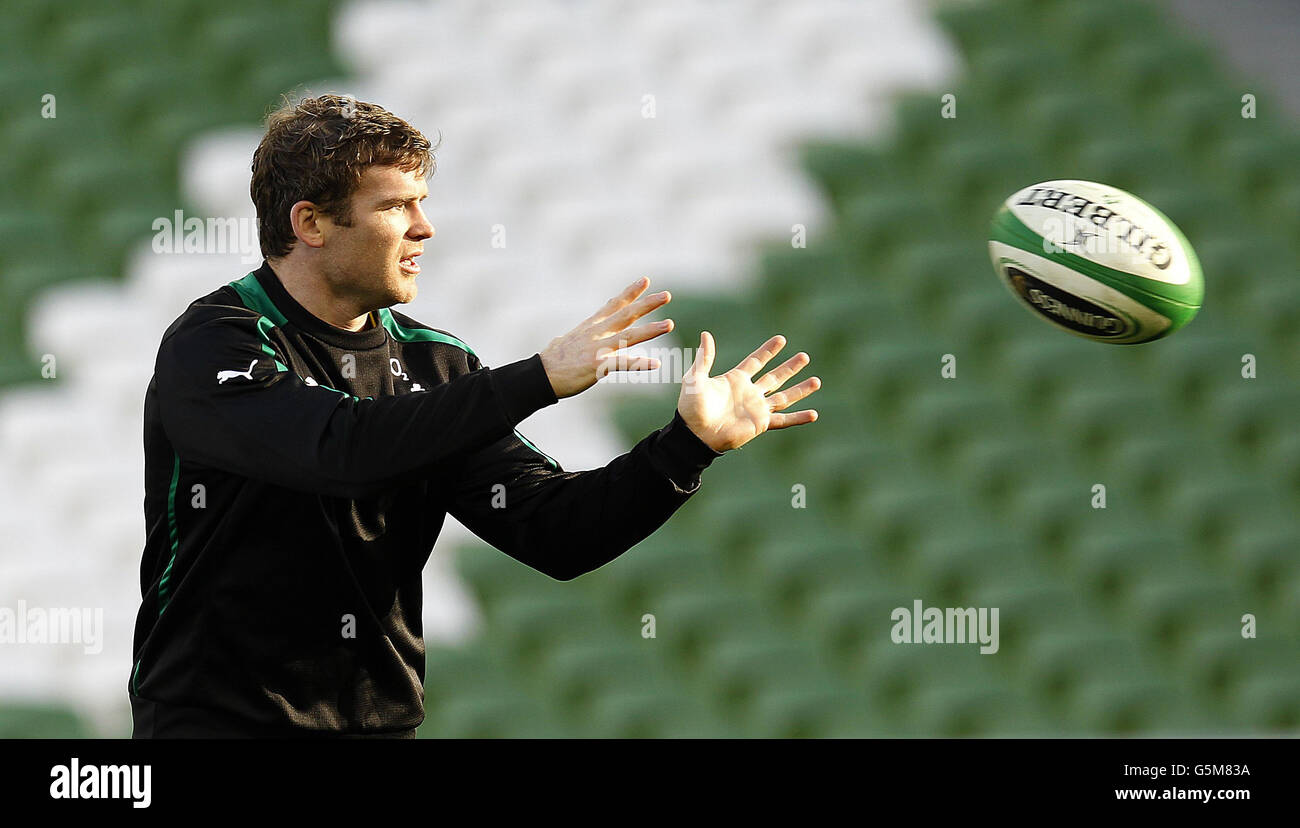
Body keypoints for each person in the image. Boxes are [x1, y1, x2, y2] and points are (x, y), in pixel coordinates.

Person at [129, 94, 821, 737]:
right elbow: (338, 452)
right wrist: (541, 377)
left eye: (422, 203)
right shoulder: (214, 343)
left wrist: (687, 446)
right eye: (397, 207)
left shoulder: (437, 365)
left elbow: (556, 533)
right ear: (309, 223)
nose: (425, 229)